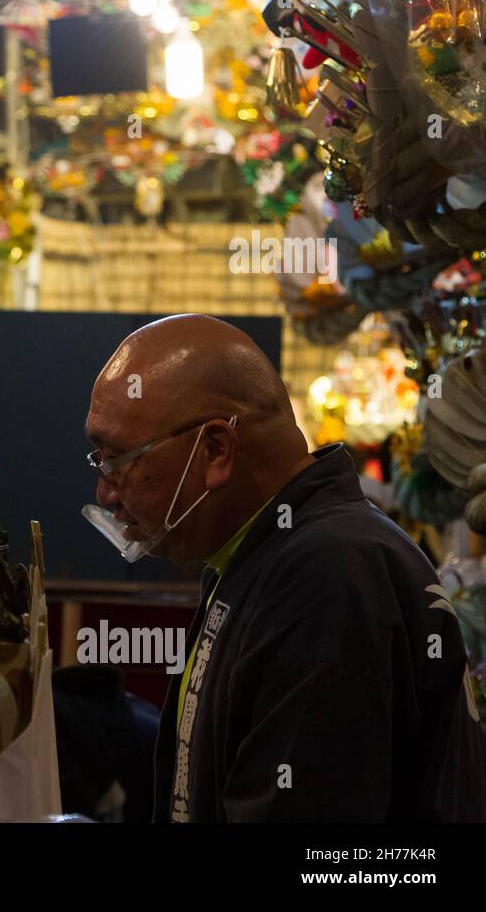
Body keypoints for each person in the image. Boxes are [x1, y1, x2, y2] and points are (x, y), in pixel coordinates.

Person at [83, 314, 486, 822]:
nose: (105, 493)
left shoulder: (328, 575)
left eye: (118, 460)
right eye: (97, 461)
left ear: (215, 450)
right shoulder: (263, 554)